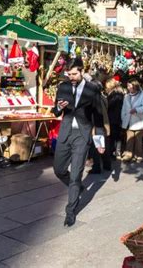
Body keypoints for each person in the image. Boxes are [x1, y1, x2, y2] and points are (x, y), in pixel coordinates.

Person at [52, 58, 104, 227]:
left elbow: (98, 116)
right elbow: (55, 111)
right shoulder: (63, 87)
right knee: (59, 170)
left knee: (75, 174)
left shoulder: (92, 90)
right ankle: (79, 188)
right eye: (69, 74)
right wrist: (59, 107)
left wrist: (99, 140)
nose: (72, 77)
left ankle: (70, 212)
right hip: (66, 133)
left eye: (74, 74)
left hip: (82, 135)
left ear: (82, 72)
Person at [121, 79, 143, 163]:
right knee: (129, 140)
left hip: (138, 121)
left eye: (129, 85)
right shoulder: (126, 96)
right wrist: (123, 118)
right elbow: (123, 109)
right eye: (127, 85)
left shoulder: (142, 95)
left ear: (134, 86)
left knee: (138, 140)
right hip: (128, 121)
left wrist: (136, 110)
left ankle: (138, 156)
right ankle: (129, 155)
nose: (128, 87)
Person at [88, 80, 111, 174]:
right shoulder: (103, 97)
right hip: (104, 124)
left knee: (96, 147)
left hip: (97, 125)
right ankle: (107, 165)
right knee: (103, 145)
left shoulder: (94, 99)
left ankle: (96, 167)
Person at [105, 78, 125, 160]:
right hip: (119, 117)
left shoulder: (115, 95)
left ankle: (114, 153)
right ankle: (117, 153)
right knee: (118, 136)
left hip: (113, 117)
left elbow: (109, 105)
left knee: (114, 136)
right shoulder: (120, 93)